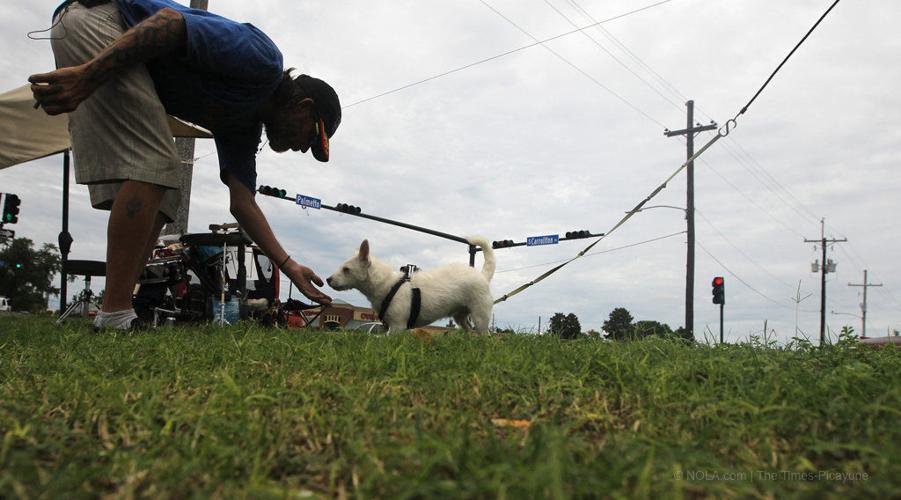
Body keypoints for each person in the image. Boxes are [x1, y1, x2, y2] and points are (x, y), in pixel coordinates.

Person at [29, 0, 338, 329]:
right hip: (101, 20)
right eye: (310, 138)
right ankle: (115, 314)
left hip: (108, 41)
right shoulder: (262, 60)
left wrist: (289, 266)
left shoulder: (244, 125)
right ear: (304, 108)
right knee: (155, 164)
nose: (302, 148)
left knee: (166, 196)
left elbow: (242, 203)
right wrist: (88, 76)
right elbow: (170, 23)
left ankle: (114, 310)